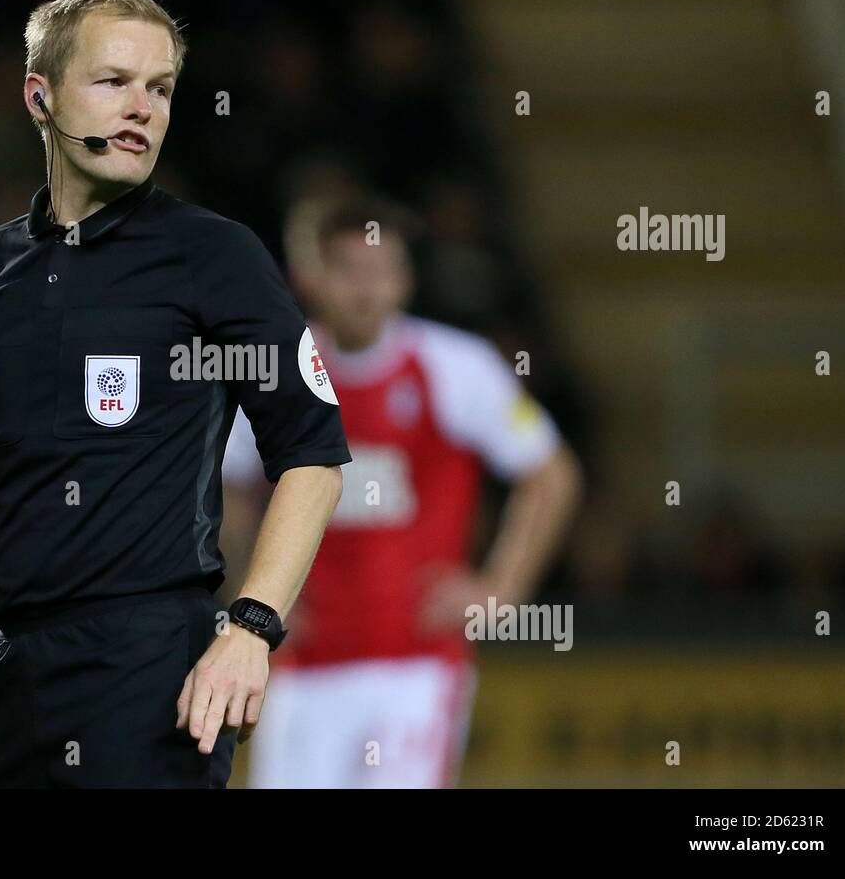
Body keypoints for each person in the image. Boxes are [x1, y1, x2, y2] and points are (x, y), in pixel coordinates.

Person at [0, 0, 349, 788]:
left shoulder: (215, 258)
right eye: (113, 80)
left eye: (160, 88)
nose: (142, 107)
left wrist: (251, 626)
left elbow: (313, 455)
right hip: (12, 668)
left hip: (153, 667)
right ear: (40, 95)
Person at [220, 194, 581, 788]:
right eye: (349, 269)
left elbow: (551, 474)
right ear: (309, 275)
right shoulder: (273, 375)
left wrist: (501, 589)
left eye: (383, 269)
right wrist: (249, 597)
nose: (367, 289)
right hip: (301, 665)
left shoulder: (455, 366)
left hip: (415, 665)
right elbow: (228, 490)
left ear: (406, 278)